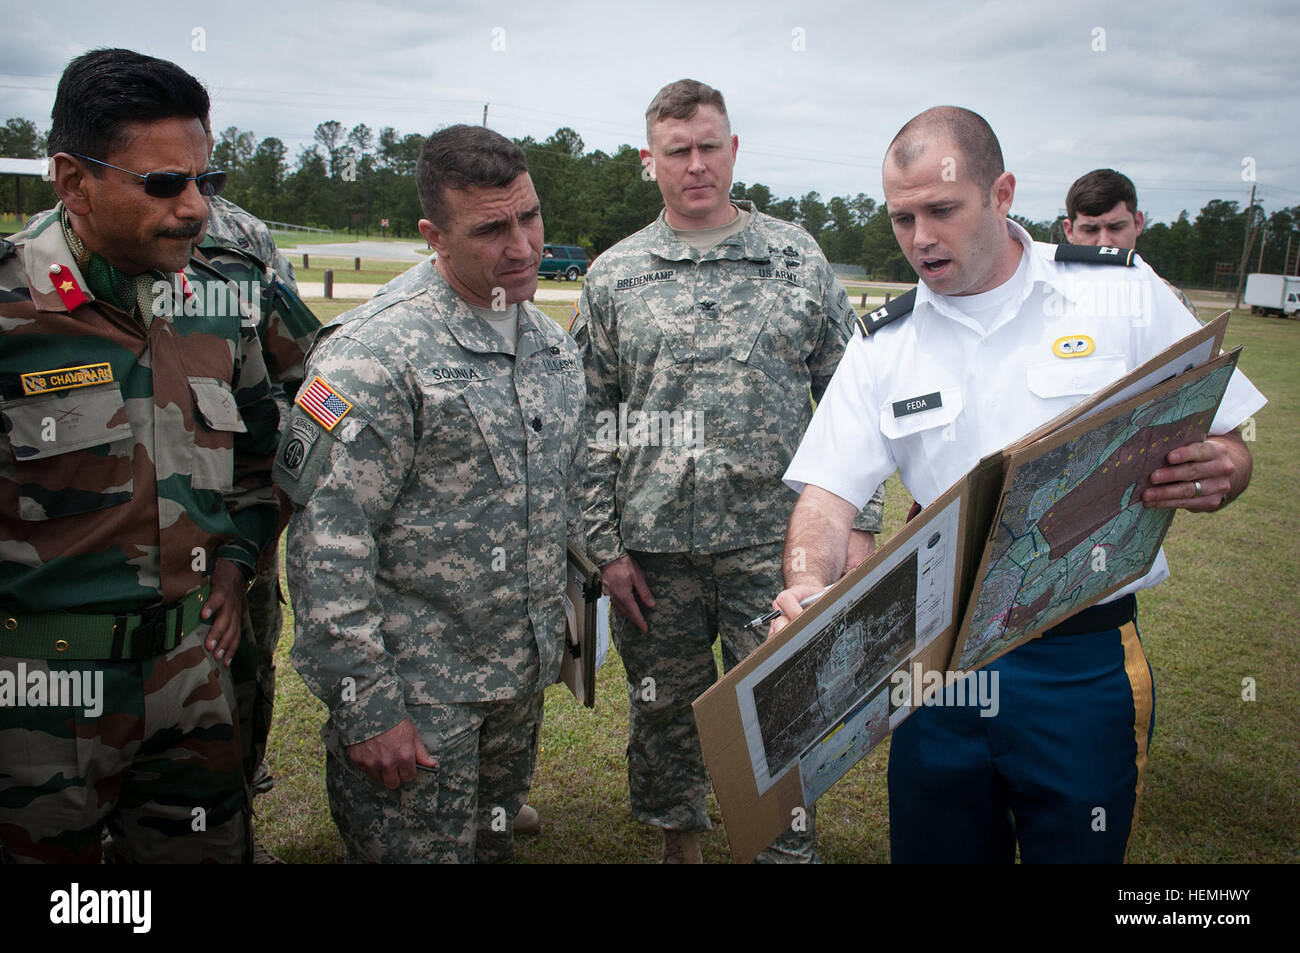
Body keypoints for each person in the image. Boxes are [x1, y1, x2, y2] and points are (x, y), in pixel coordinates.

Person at [773, 106, 1266, 863]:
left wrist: (1225, 468)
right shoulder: (884, 346)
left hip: (1080, 658)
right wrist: (809, 586)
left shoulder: (1122, 298)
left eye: (942, 209)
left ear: (1002, 193)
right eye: (902, 218)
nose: (920, 238)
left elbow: (1230, 440)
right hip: (938, 666)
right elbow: (827, 494)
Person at [571, 79, 885, 864]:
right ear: (651, 161)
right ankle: (681, 837)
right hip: (653, 549)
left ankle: (783, 843)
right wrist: (603, 549)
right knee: (667, 709)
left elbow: (852, 395)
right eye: (678, 151)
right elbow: (587, 419)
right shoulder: (614, 275)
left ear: (734, 149)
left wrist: (863, 519)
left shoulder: (796, 258)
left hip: (773, 542)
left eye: (711, 146)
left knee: (781, 700)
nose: (697, 165)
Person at [0, 48, 280, 863]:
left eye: (206, 180)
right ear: (72, 181)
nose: (195, 208)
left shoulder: (220, 300)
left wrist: (232, 560)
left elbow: (262, 460)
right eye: (164, 184)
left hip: (193, 682)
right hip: (38, 701)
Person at [276, 124, 584, 863]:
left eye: (529, 216)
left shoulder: (547, 342)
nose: (521, 246)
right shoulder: (373, 355)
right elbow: (327, 546)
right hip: (416, 695)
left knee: (492, 843)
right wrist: (366, 706)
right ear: (433, 236)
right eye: (490, 228)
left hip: (517, 680)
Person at [1064, 168, 1199, 316]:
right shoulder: (1047, 294)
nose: (1104, 242)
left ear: (1138, 223)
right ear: (1069, 230)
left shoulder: (1167, 299)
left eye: (1116, 227)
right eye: (1090, 230)